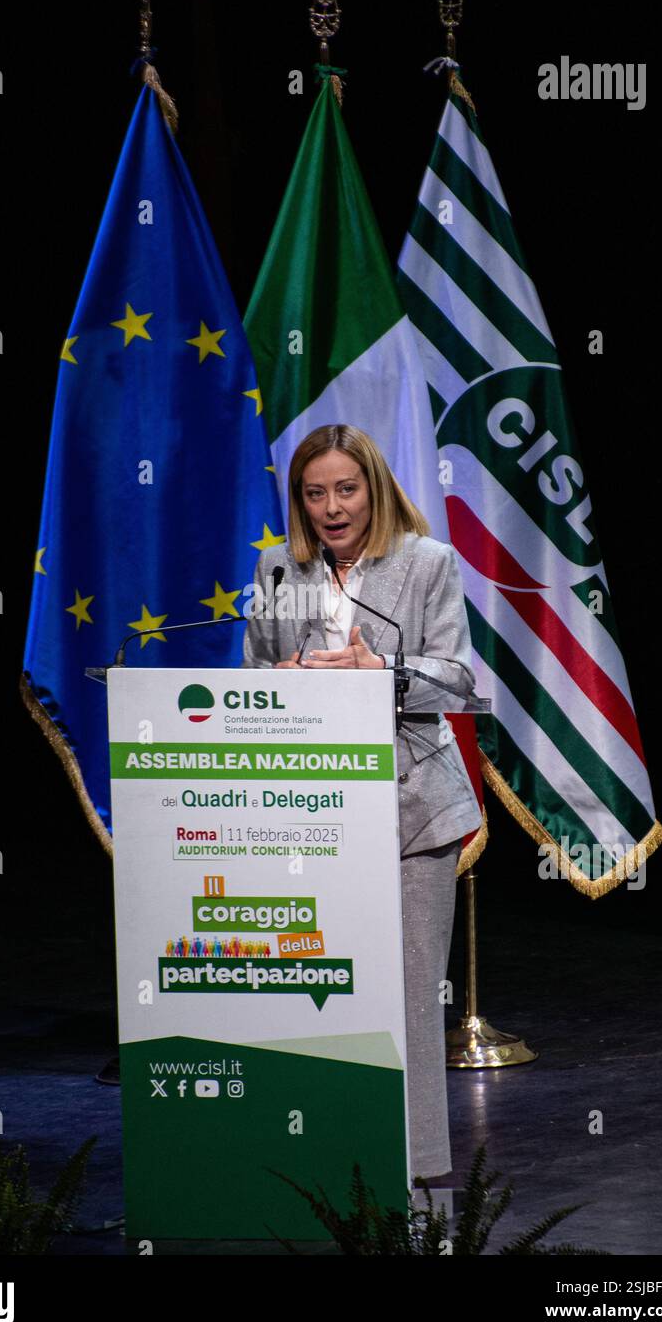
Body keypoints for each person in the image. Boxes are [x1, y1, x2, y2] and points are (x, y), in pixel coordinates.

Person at [242, 424, 483, 1183]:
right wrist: (277, 680)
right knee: (318, 988)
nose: (331, 507)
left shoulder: (425, 564)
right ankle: (320, 1154)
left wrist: (378, 668)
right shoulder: (277, 569)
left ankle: (414, 1167)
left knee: (411, 995)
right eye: (315, 493)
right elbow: (251, 677)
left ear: (372, 488)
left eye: (345, 489)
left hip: (411, 808)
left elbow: (456, 681)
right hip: (311, 814)